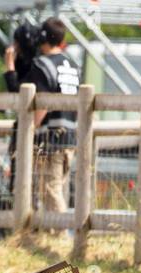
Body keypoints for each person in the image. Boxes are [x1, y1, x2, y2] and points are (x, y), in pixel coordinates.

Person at [27, 18, 80, 213]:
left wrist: (30, 129)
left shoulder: (42, 65)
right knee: (56, 186)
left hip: (50, 136)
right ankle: (52, 230)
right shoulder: (73, 65)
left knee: (50, 189)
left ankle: (59, 234)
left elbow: (43, 101)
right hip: (70, 134)